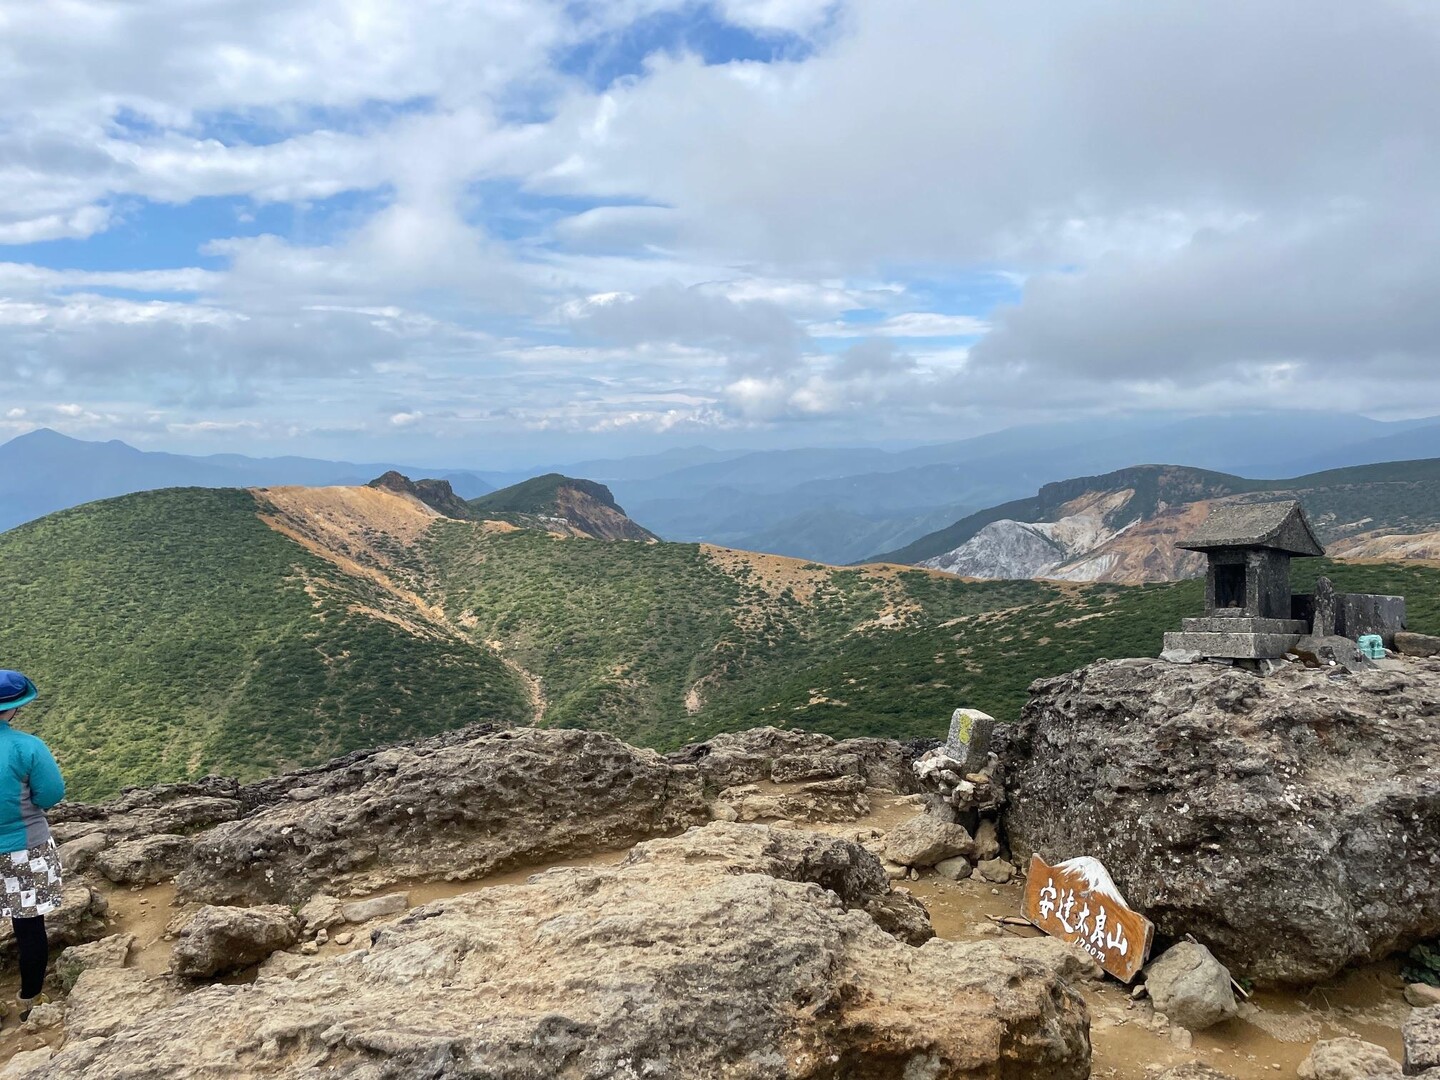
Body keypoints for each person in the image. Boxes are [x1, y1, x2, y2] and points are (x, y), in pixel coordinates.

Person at [0, 671, 64, 1022]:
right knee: (29, 926)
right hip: (25, 849)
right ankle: (30, 1002)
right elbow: (51, 794)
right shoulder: (27, 747)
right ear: (13, 708)